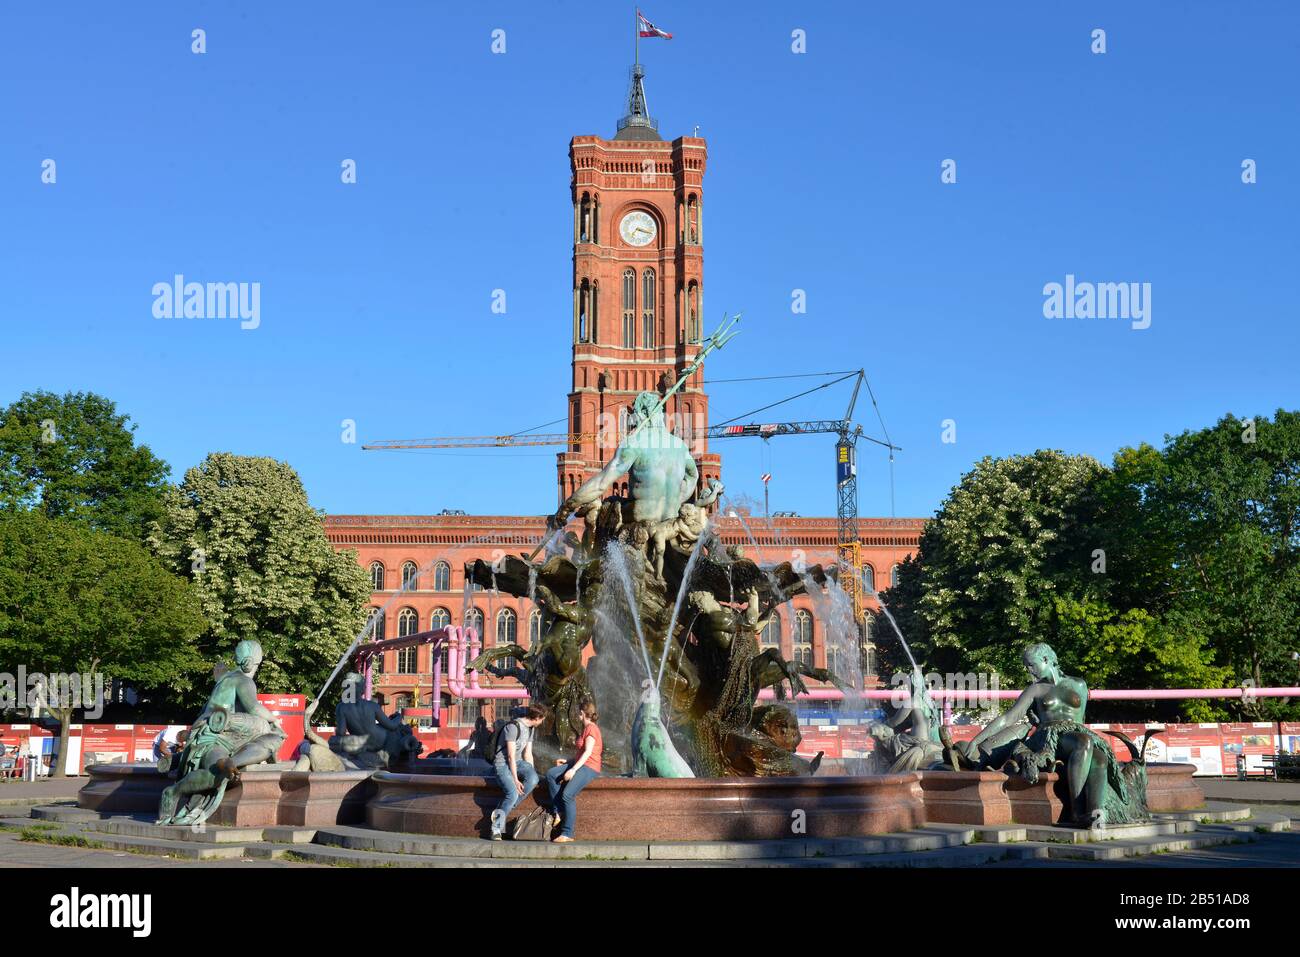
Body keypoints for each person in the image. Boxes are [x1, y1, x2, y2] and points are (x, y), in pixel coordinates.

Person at [545, 697, 602, 843]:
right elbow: (581, 752)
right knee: (551, 774)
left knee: (567, 795)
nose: (577, 716)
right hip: (579, 763)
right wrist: (569, 762)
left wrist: (573, 770)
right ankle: (559, 811)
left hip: (589, 766)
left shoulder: (591, 729)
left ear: (583, 713)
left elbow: (588, 752)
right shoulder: (586, 728)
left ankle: (567, 833)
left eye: (578, 713)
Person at [489, 703, 550, 841]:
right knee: (511, 793)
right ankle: (496, 828)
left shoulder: (530, 729)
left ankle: (503, 809)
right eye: (542, 719)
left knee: (534, 779)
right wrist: (516, 780)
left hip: (518, 762)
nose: (542, 722)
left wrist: (531, 772)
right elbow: (510, 756)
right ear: (537, 717)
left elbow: (527, 754)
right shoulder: (512, 727)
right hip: (502, 764)